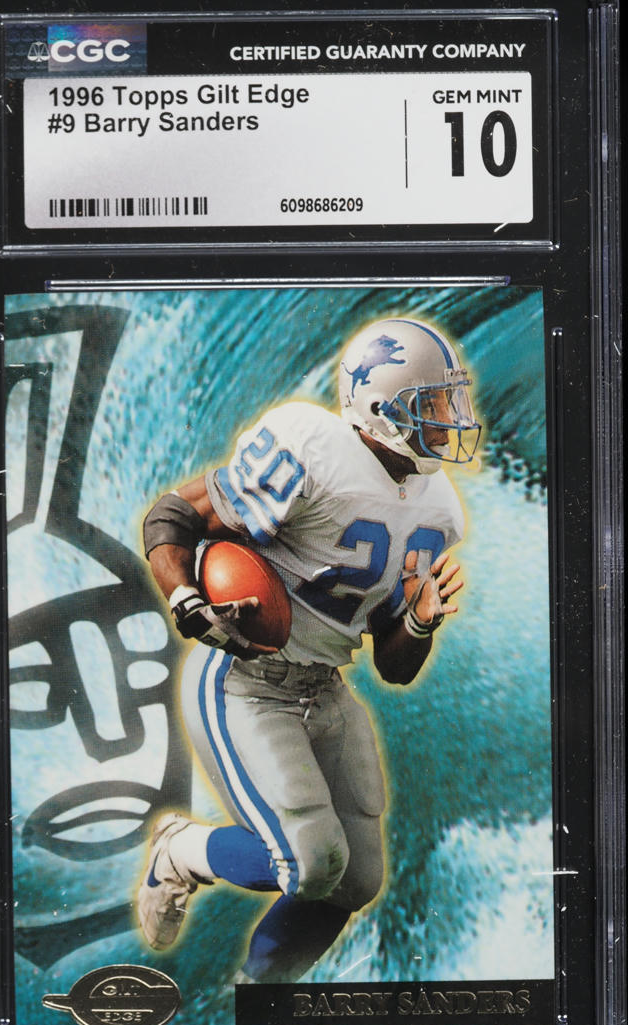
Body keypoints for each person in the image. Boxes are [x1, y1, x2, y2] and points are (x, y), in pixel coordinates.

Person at [137, 316, 481, 982]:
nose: (449, 421)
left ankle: (260, 995)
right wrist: (184, 596)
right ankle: (181, 851)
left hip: (325, 687)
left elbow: (393, 667)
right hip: (244, 678)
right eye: (432, 405)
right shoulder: (312, 449)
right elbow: (172, 517)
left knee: (357, 880)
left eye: (449, 402)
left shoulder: (438, 509)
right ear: (380, 409)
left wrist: (418, 622)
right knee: (309, 861)